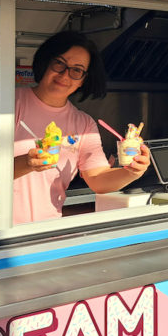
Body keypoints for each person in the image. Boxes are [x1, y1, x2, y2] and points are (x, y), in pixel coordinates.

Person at [14, 31, 150, 224]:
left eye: (77, 70)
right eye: (59, 63)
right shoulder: (8, 104)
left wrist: (132, 172)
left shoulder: (83, 124)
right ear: (45, 62)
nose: (65, 74)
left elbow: (98, 180)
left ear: (83, 80)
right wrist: (27, 163)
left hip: (44, 230)